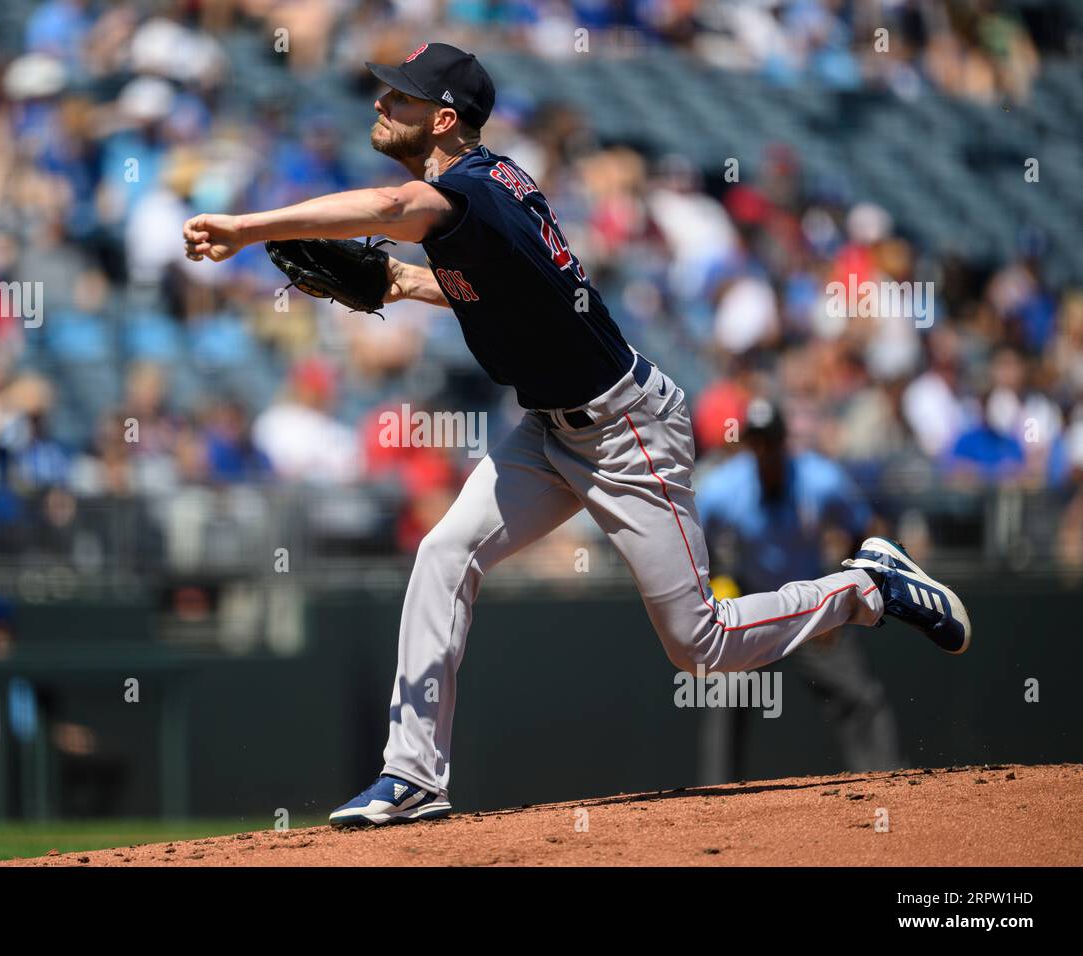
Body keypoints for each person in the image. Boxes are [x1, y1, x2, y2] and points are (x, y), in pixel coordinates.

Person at [181, 42, 971, 827]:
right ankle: (413, 774)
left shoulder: (466, 191)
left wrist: (249, 227)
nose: (382, 105)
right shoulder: (490, 190)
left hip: (628, 430)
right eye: (385, 93)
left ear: (445, 119)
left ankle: (866, 588)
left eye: (402, 98)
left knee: (700, 646)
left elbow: (392, 211)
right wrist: (399, 282)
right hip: (548, 432)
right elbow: (493, 293)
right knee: (443, 552)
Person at [695, 399, 901, 783]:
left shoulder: (819, 479)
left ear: (783, 442)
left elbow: (863, 529)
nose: (763, 451)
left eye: (770, 442)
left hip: (812, 604)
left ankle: (883, 782)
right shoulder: (725, 487)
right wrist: (718, 584)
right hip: (752, 602)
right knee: (726, 698)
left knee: (860, 696)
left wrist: (849, 590)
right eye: (755, 442)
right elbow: (693, 541)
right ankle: (715, 798)